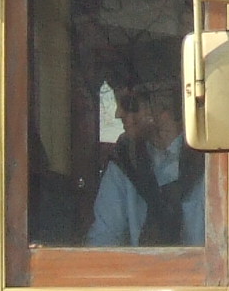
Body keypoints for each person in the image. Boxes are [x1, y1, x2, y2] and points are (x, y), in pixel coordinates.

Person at [86, 82, 204, 246]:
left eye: (129, 104)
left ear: (161, 107)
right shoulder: (123, 162)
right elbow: (103, 240)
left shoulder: (213, 160)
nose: (118, 114)